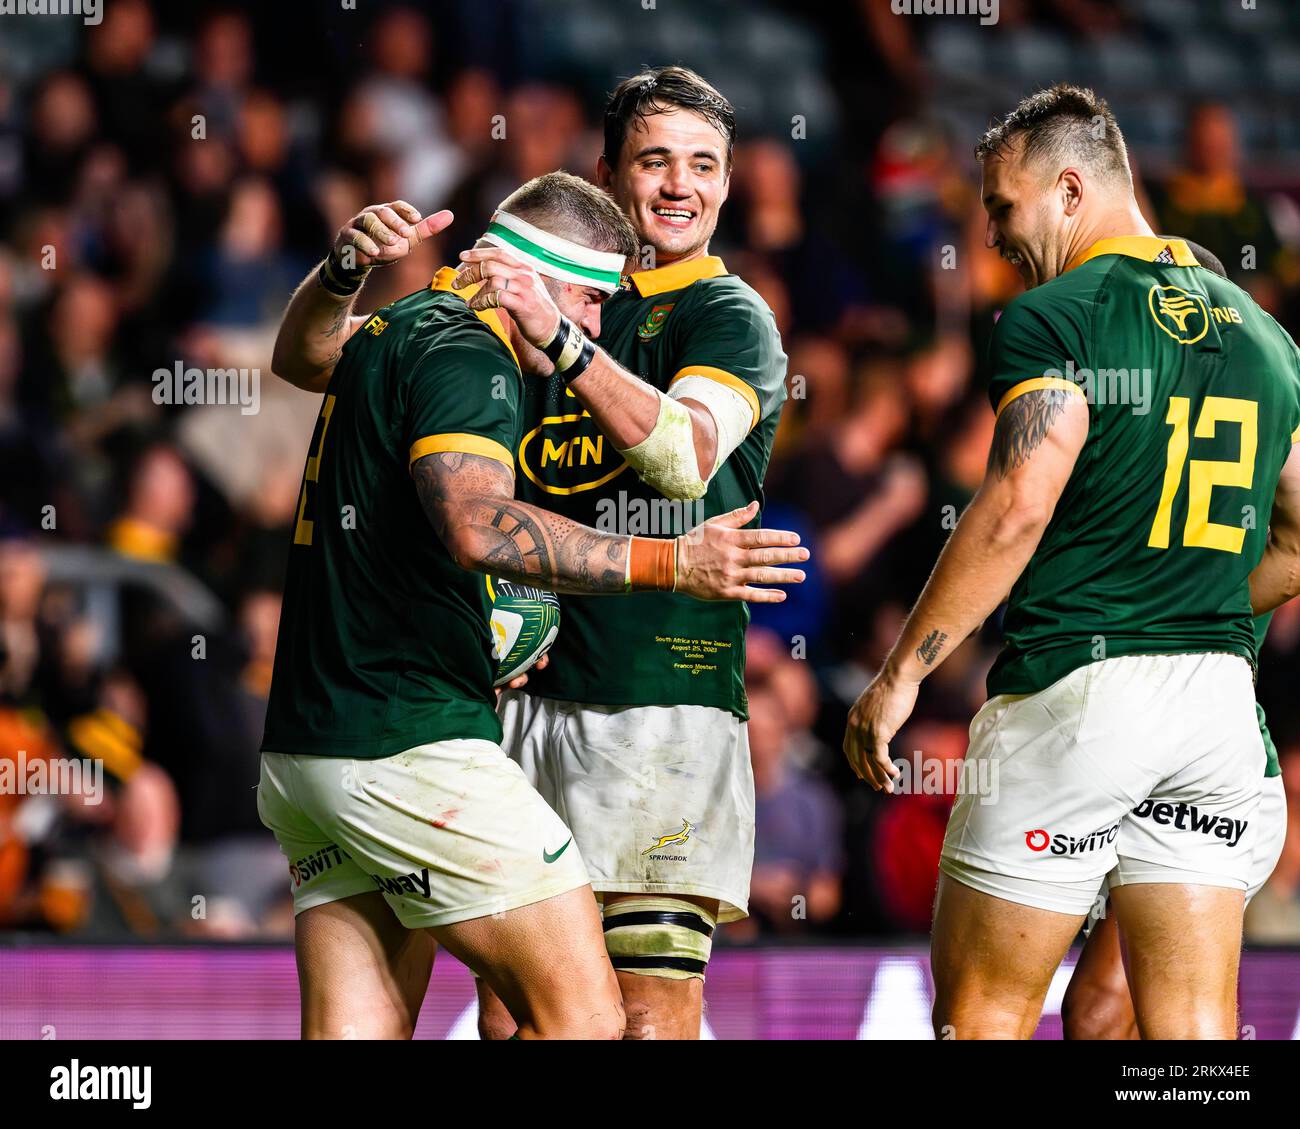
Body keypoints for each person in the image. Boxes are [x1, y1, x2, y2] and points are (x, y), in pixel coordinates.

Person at [258, 171, 807, 1039]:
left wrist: (338, 271)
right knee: (586, 1019)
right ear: (532, 278)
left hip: (307, 754)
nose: (593, 325)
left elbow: (301, 360)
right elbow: (478, 526)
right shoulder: (469, 350)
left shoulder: (403, 325)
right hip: (410, 743)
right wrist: (672, 561)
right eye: (589, 298)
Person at [842, 84, 1300, 1039]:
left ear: (1068, 189)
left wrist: (902, 674)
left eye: (1004, 208)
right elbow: (1299, 536)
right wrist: (1197, 605)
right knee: (1190, 1035)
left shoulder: (1057, 314)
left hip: (1080, 699)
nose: (998, 235)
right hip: (1217, 713)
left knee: (981, 1016)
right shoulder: (1269, 337)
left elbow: (1016, 501)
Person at [467, 67, 789, 1039]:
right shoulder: (541, 303)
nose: (680, 186)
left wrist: (560, 339)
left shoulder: (728, 318)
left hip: (662, 708)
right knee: (512, 1015)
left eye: (703, 165)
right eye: (655, 161)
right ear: (607, 176)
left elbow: (685, 453)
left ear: (728, 185)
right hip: (524, 701)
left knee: (648, 1013)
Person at [1061, 241, 1290, 1040]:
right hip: (1149, 748)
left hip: (1202, 760)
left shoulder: (1141, 432)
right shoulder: (1250, 411)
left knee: (1125, 1015)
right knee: (1112, 1015)